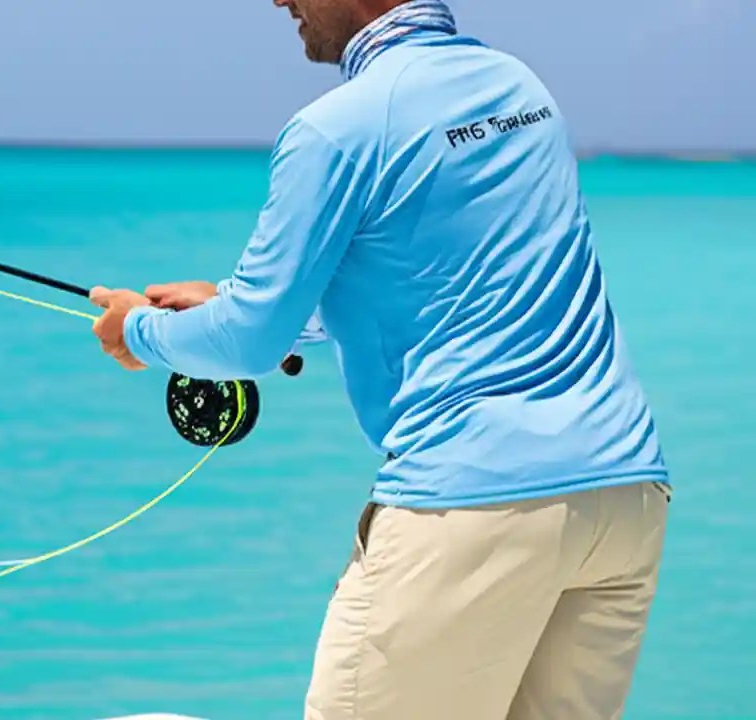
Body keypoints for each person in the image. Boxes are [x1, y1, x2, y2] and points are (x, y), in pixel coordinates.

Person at [87, 1, 672, 718]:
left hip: (470, 506)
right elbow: (436, 287)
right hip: (625, 496)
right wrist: (232, 303)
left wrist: (138, 331)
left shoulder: (334, 130)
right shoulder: (520, 90)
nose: (278, 0)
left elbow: (248, 344)